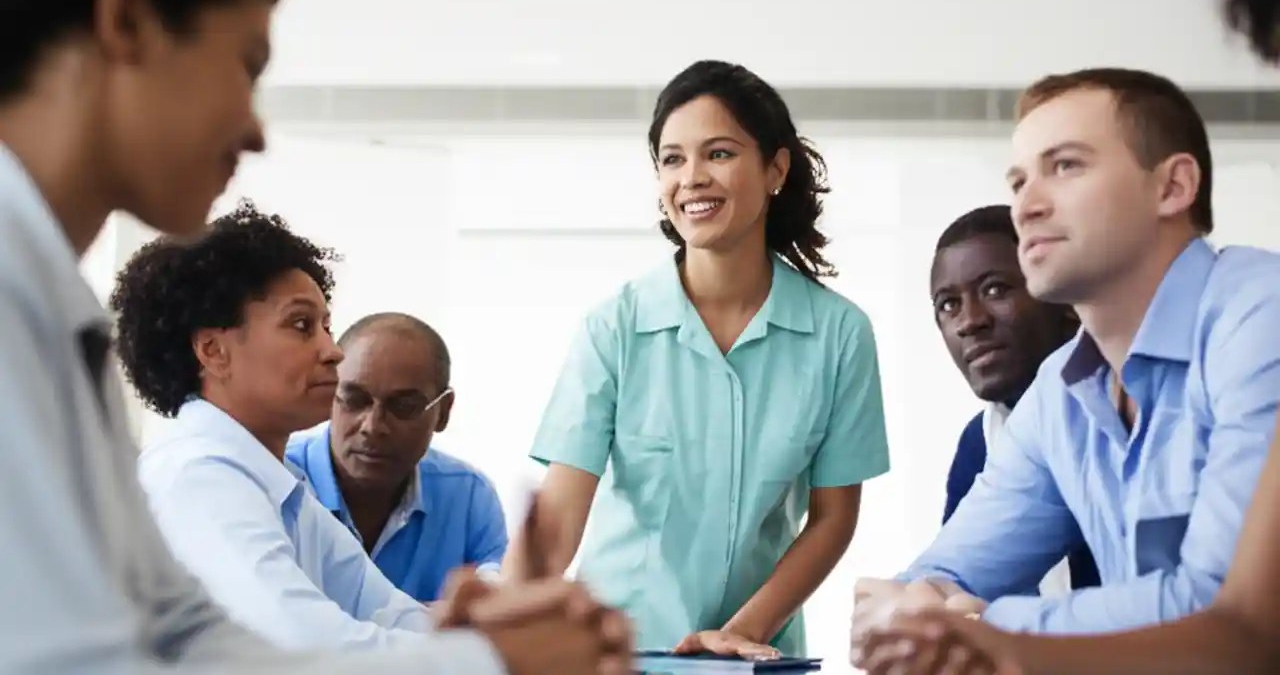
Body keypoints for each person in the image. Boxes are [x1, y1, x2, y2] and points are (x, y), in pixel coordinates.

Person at [0, 0, 627, 672]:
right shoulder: (187, 462)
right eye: (245, 64)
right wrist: (491, 659)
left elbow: (192, 638)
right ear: (129, 23)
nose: (255, 127)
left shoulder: (55, 315)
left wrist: (484, 642)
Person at [855, 0, 1280, 673]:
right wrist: (915, 610)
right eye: (1018, 179)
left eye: (1066, 166)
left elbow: (1222, 611)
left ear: (1172, 186)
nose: (1026, 203)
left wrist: (994, 624)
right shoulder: (1059, 392)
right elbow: (923, 587)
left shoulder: (1257, 315)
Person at [505, 59, 891, 659]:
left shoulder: (839, 333)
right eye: (673, 159)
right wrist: (506, 631)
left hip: (757, 652)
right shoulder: (615, 326)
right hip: (616, 653)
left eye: (719, 154)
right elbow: (558, 513)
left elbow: (832, 520)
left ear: (775, 170)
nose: (692, 178)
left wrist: (742, 633)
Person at [931, 205, 1098, 596]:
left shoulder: (1121, 416)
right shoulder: (979, 443)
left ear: (1066, 302)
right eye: (948, 304)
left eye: (995, 289)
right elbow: (957, 590)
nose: (969, 321)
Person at [288, 312, 508, 602]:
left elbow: (495, 615)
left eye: (403, 406)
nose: (373, 426)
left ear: (443, 412)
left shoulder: (468, 497)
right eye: (354, 399)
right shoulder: (281, 483)